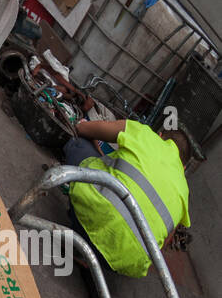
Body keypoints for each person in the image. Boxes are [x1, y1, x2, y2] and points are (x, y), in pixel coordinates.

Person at [61, 118, 190, 278]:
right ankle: (94, 258)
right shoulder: (184, 192)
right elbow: (161, 246)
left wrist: (81, 125)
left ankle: (78, 224)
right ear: (183, 167)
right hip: (122, 263)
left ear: (160, 135)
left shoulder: (144, 133)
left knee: (78, 143)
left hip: (87, 217)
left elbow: (85, 129)